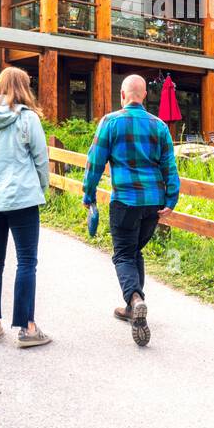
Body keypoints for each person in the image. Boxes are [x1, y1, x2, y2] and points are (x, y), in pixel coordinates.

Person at [82, 73, 180, 347]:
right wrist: (171, 200)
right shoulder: (159, 125)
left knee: (123, 255)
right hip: (153, 203)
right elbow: (169, 166)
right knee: (135, 251)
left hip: (124, 200)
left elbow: (95, 162)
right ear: (145, 96)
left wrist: (88, 194)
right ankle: (133, 307)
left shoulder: (110, 122)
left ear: (123, 95)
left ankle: (134, 299)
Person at [0, 67, 51, 348]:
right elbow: (41, 159)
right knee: (26, 261)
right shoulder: (28, 118)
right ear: (24, 87)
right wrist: (40, 188)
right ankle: (27, 328)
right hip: (22, 198)